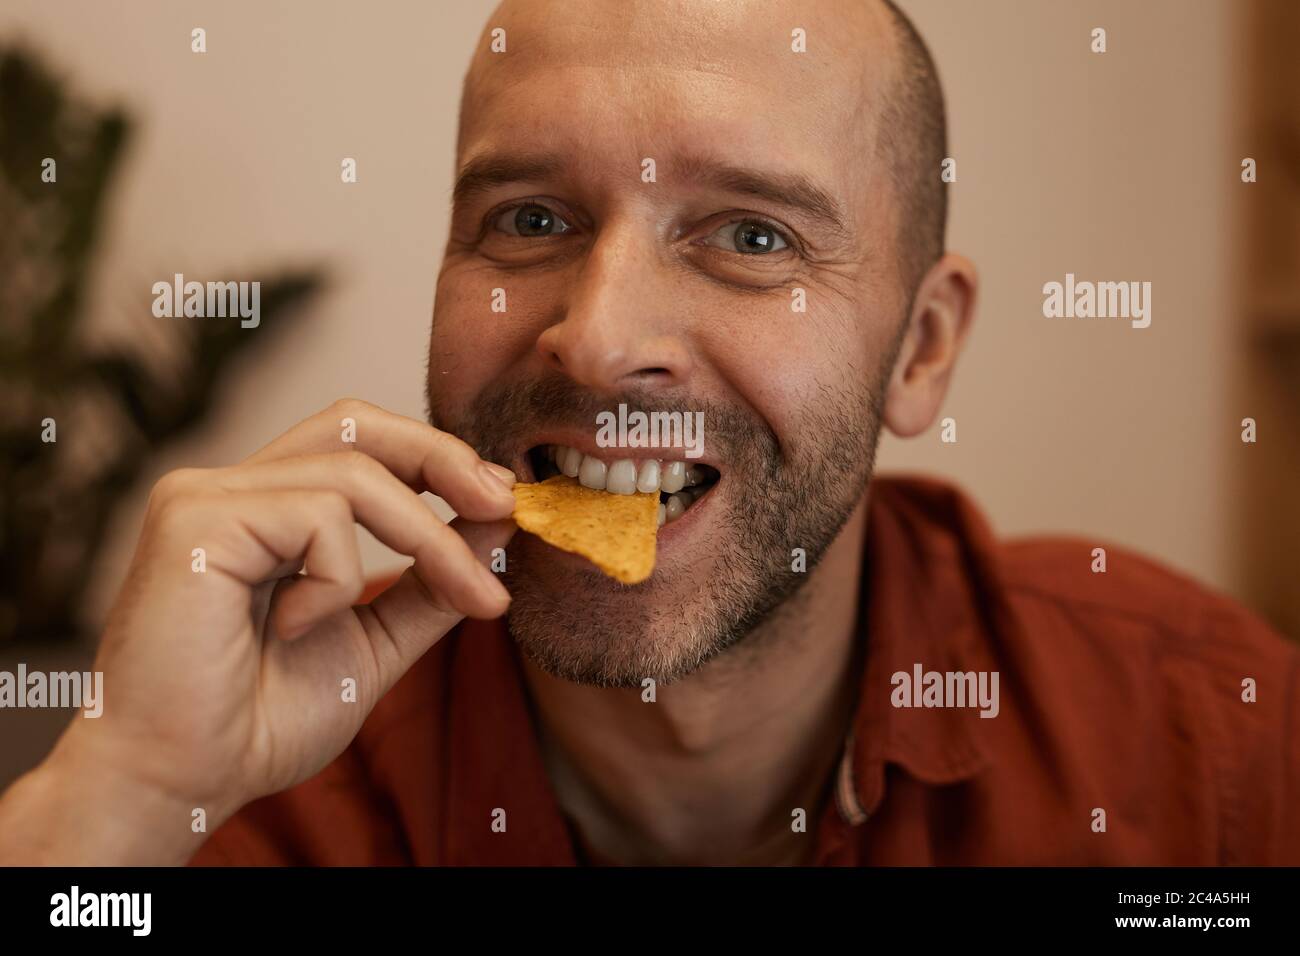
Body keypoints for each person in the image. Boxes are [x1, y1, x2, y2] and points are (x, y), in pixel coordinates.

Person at [1, 0, 1295, 866]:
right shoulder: (254, 792)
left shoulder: (1201, 748)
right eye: (529, 220)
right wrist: (113, 798)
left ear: (923, 348)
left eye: (751, 237)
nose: (599, 336)